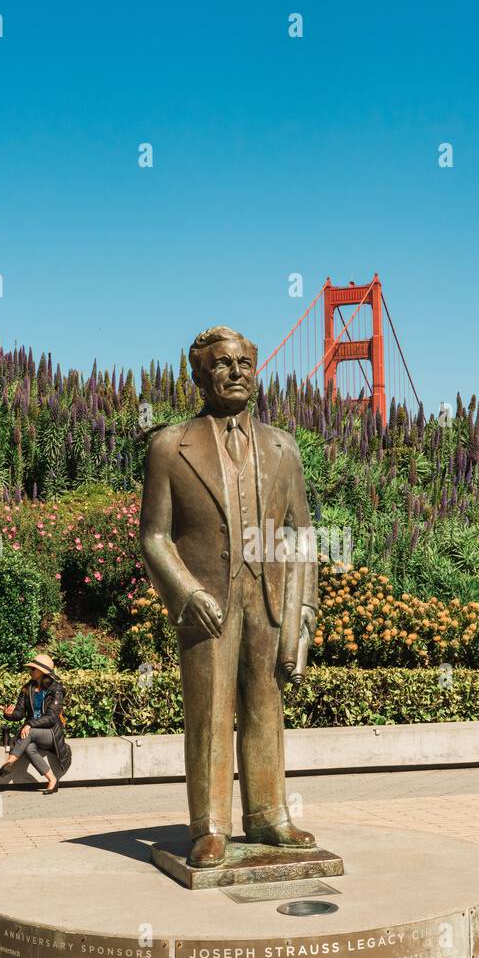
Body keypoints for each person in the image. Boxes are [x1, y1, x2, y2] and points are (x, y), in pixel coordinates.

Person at [139, 324, 317, 868]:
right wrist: (185, 590)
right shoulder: (170, 446)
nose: (235, 371)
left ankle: (269, 816)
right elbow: (152, 535)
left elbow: (301, 535)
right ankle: (210, 826)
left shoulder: (283, 447)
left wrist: (301, 616)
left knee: (266, 708)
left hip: (267, 598)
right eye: (221, 363)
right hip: (207, 604)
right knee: (210, 713)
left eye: (244, 362)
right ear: (198, 375)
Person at [0, 653, 71, 794]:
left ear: (43, 672)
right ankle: (52, 780)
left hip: (51, 733)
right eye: (30, 669)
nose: (30, 671)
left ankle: (10, 761)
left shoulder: (56, 690)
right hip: (31, 733)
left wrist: (30, 724)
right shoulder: (27, 688)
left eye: (33, 669)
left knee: (28, 732)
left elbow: (51, 717)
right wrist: (9, 714)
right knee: (29, 747)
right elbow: (20, 713)